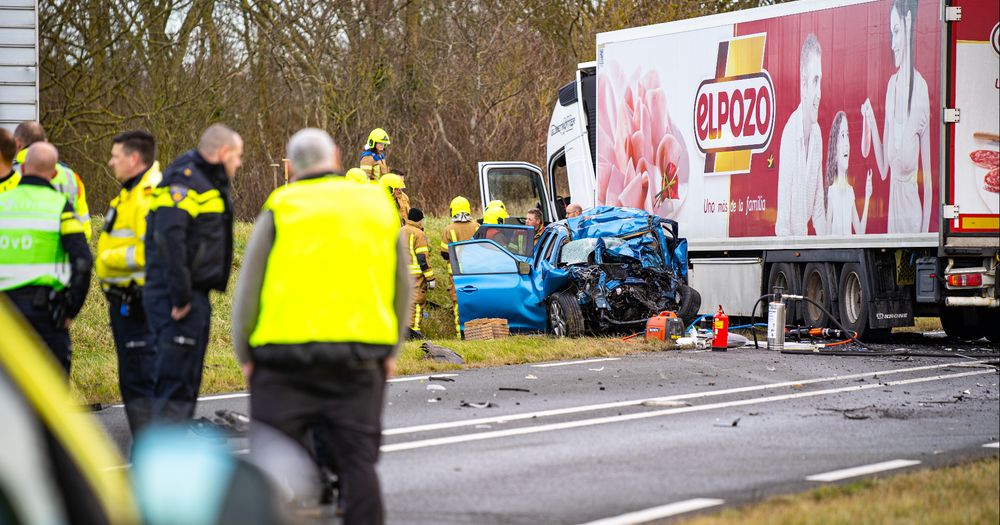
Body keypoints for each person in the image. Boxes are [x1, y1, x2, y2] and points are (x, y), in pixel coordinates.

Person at [232, 128, 409, 525]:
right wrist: (391, 350)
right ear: (335, 156)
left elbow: (249, 287)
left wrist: (245, 353)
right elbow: (402, 286)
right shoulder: (375, 206)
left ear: (291, 167)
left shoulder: (281, 205)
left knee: (274, 469)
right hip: (359, 356)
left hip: (282, 359)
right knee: (358, 465)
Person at [145, 124, 242, 423]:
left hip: (194, 295)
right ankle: (160, 457)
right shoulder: (184, 179)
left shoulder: (207, 181)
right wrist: (181, 295)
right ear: (223, 152)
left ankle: (175, 455)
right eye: (237, 156)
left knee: (186, 383)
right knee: (174, 385)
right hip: (177, 297)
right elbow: (170, 238)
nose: (238, 163)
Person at [0, 142, 92, 374]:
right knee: (51, 386)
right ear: (53, 173)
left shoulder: (2, 203)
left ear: (21, 168)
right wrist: (70, 310)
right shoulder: (61, 207)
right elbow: (82, 262)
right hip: (44, 313)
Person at [98, 130, 162, 435]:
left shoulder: (149, 196)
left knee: (142, 381)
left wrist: (109, 259)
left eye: (116, 155)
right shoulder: (128, 194)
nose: (111, 161)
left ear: (134, 158)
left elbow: (151, 251)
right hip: (125, 302)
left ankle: (151, 453)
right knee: (133, 380)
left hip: (141, 304)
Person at [863, 0, 933, 233]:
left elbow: (930, 183)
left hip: (912, 220)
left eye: (896, 32)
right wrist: (871, 120)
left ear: (909, 23)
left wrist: (924, 236)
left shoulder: (921, 90)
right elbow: (884, 169)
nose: (892, 44)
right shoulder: (891, 87)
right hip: (893, 221)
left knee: (908, 269)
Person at [775, 34, 826, 237]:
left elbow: (819, 211)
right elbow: (783, 224)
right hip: (790, 245)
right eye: (815, 81)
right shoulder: (789, 137)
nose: (820, 93)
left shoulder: (817, 135)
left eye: (820, 80)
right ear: (804, 86)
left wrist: (831, 245)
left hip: (804, 245)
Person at [12, 121, 92, 240]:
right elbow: (84, 228)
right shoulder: (72, 177)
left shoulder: (7, 174)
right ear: (46, 143)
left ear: (17, 144)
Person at [824, 112, 872, 236]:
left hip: (848, 252)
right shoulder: (832, 191)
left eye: (847, 135)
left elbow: (860, 232)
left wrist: (867, 195)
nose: (846, 143)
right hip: (836, 252)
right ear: (834, 149)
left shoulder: (850, 192)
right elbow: (828, 232)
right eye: (842, 136)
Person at [439, 196, 479, 338]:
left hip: (456, 273)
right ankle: (476, 332)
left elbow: (444, 254)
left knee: (458, 303)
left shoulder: (449, 229)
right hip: (475, 271)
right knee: (475, 300)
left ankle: (460, 333)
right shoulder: (476, 226)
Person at [401, 207, 435, 338]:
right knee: (417, 303)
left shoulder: (400, 231)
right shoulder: (418, 233)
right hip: (415, 276)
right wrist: (430, 277)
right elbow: (422, 258)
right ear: (419, 220)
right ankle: (414, 333)